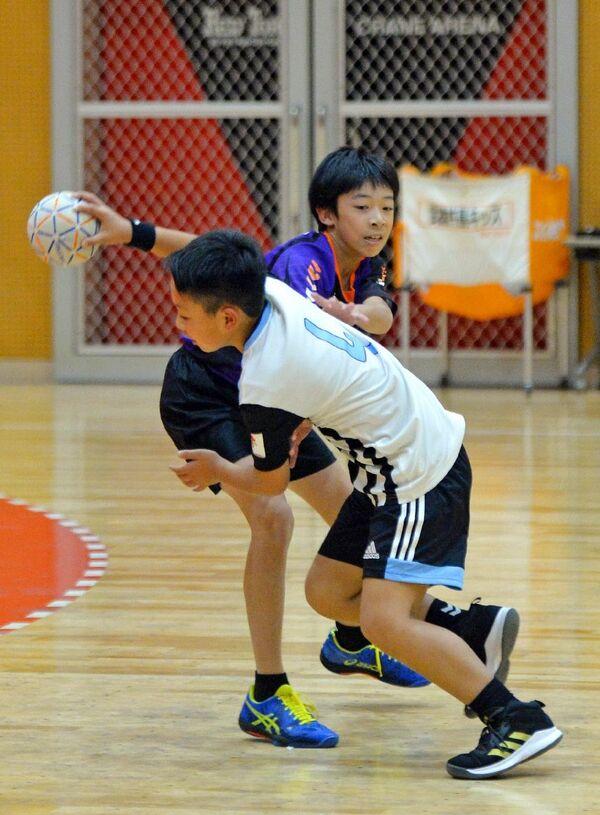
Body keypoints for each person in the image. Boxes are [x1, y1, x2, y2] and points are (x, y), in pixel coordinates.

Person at [76, 147, 517, 748]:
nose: (377, 218)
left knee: (348, 510)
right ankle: (267, 693)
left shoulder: (368, 264)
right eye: (363, 206)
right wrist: (133, 233)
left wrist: (358, 315)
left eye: (387, 206)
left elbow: (375, 314)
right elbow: (218, 266)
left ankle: (355, 636)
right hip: (213, 395)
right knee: (273, 516)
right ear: (328, 213)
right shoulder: (302, 264)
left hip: (285, 403)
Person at [165, 227, 562, 778]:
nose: (179, 325)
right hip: (390, 467)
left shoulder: (264, 381)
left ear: (227, 317)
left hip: (418, 476)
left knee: (381, 622)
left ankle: (514, 719)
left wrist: (215, 469)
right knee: (328, 591)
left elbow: (269, 483)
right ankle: (470, 631)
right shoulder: (272, 291)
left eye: (184, 315)